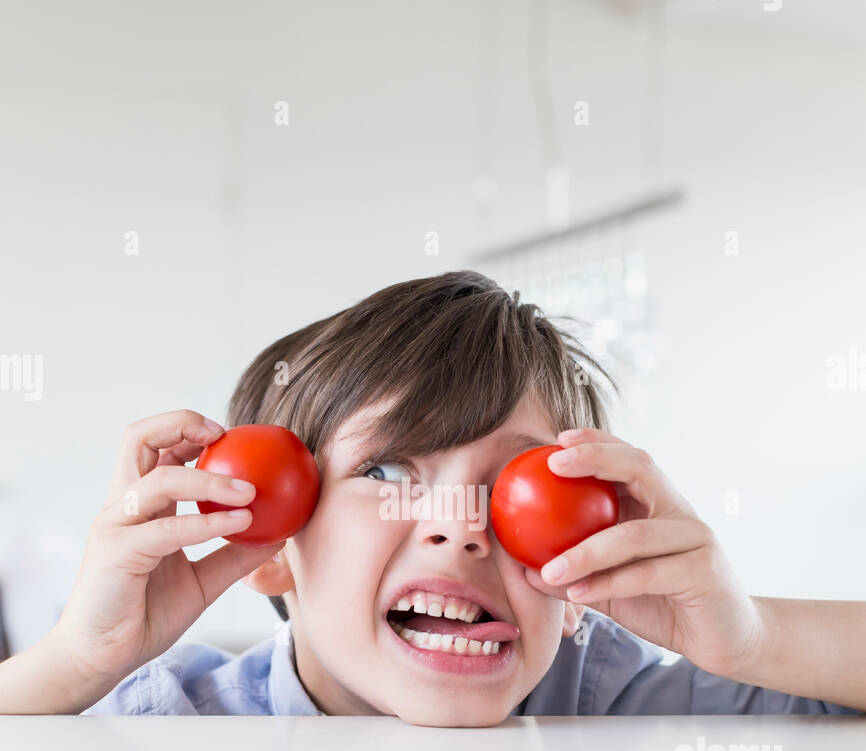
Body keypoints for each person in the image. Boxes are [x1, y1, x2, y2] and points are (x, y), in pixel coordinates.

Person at [1, 271, 862, 723]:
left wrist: (751, 638)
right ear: (271, 542)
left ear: (575, 594)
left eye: (521, 487)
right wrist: (75, 664)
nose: (461, 530)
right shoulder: (175, 718)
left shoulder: (606, 698)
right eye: (384, 473)